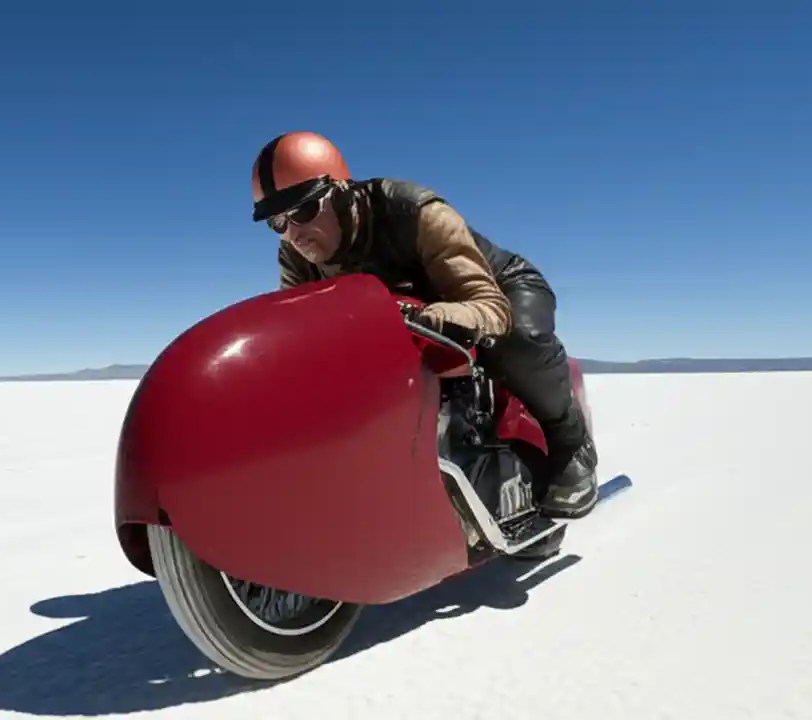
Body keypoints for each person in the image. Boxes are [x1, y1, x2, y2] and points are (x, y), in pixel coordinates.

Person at [252, 130, 598, 519]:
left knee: (517, 339)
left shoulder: (413, 211)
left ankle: (571, 445)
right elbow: (300, 330)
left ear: (341, 190)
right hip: (411, 315)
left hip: (498, 287)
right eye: (277, 222)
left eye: (303, 211)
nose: (293, 233)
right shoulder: (297, 255)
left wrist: (441, 314)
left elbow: (490, 307)